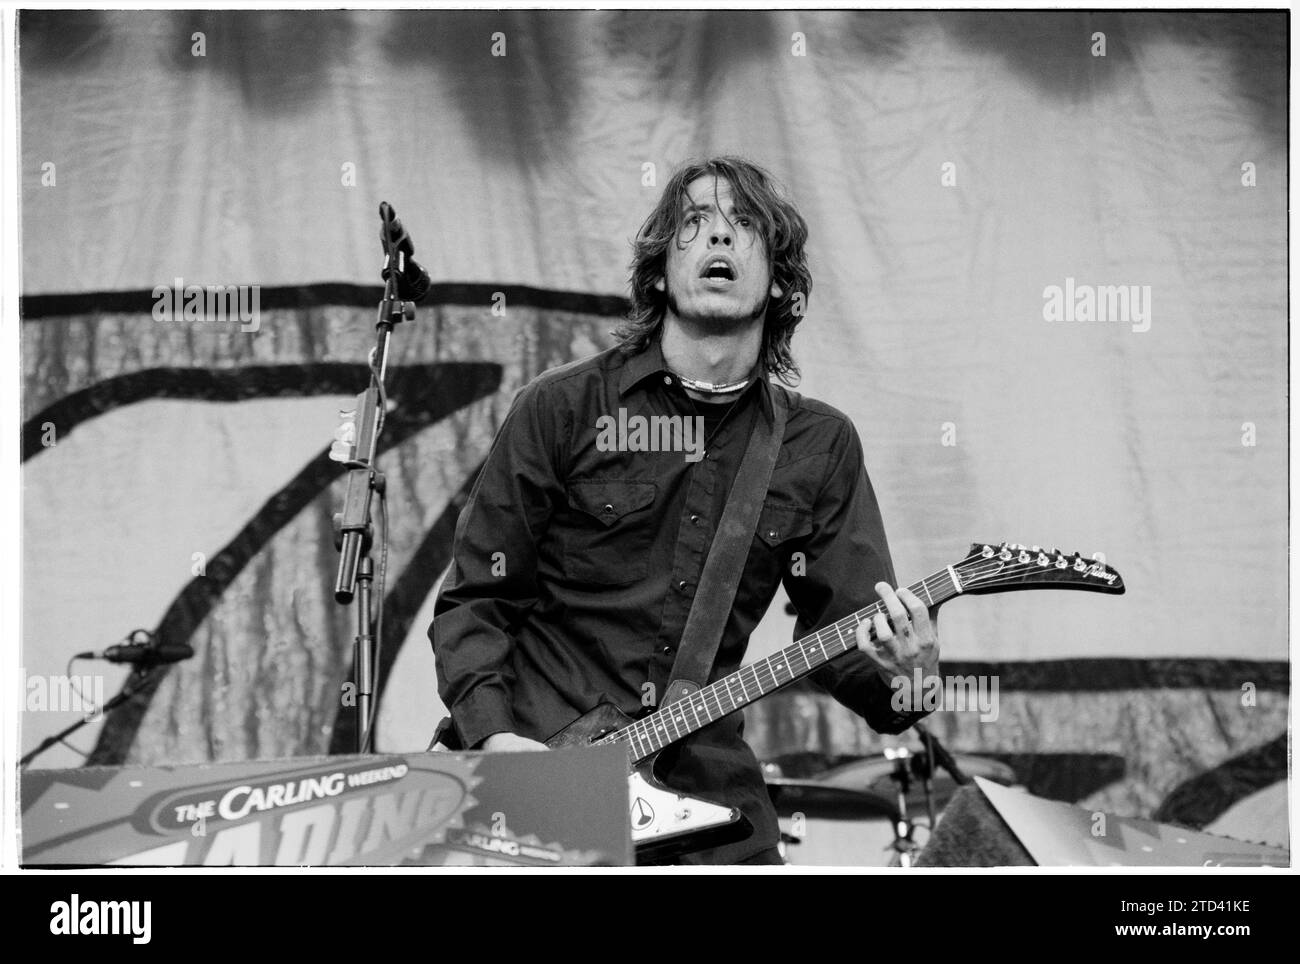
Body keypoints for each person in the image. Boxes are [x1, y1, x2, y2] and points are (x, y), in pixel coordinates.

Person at [430, 156, 940, 865]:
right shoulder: (564, 409)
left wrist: (912, 673)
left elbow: (858, 653)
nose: (719, 240)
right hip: (537, 765)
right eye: (695, 225)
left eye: (744, 227)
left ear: (782, 281)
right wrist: (496, 741)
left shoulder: (816, 445)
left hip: (697, 785)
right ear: (661, 273)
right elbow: (475, 600)